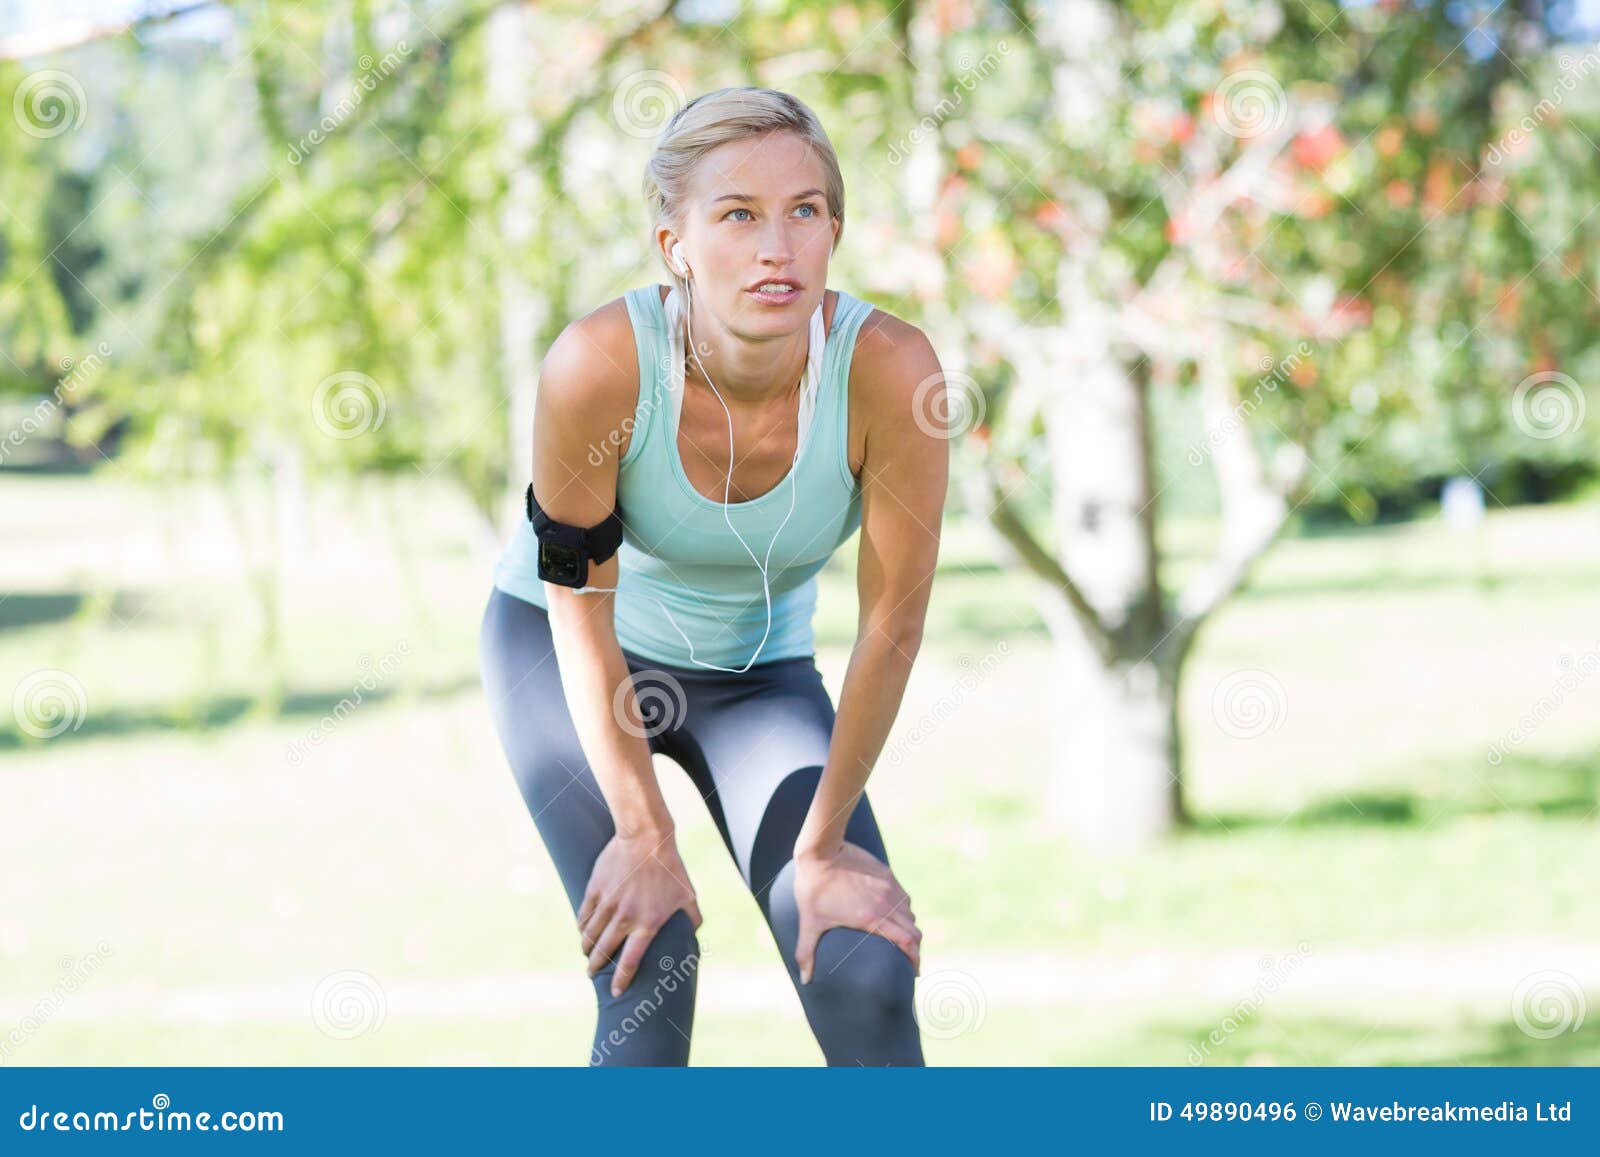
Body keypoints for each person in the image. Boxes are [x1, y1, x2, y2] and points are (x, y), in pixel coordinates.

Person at [477, 86, 950, 1066]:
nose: (776, 246)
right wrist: (642, 832)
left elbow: (890, 629)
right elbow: (577, 600)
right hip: (568, 650)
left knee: (862, 961)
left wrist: (819, 850)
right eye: (737, 214)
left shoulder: (892, 372)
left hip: (754, 679)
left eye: (804, 210)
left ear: (833, 229)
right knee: (648, 957)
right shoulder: (597, 364)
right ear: (674, 243)